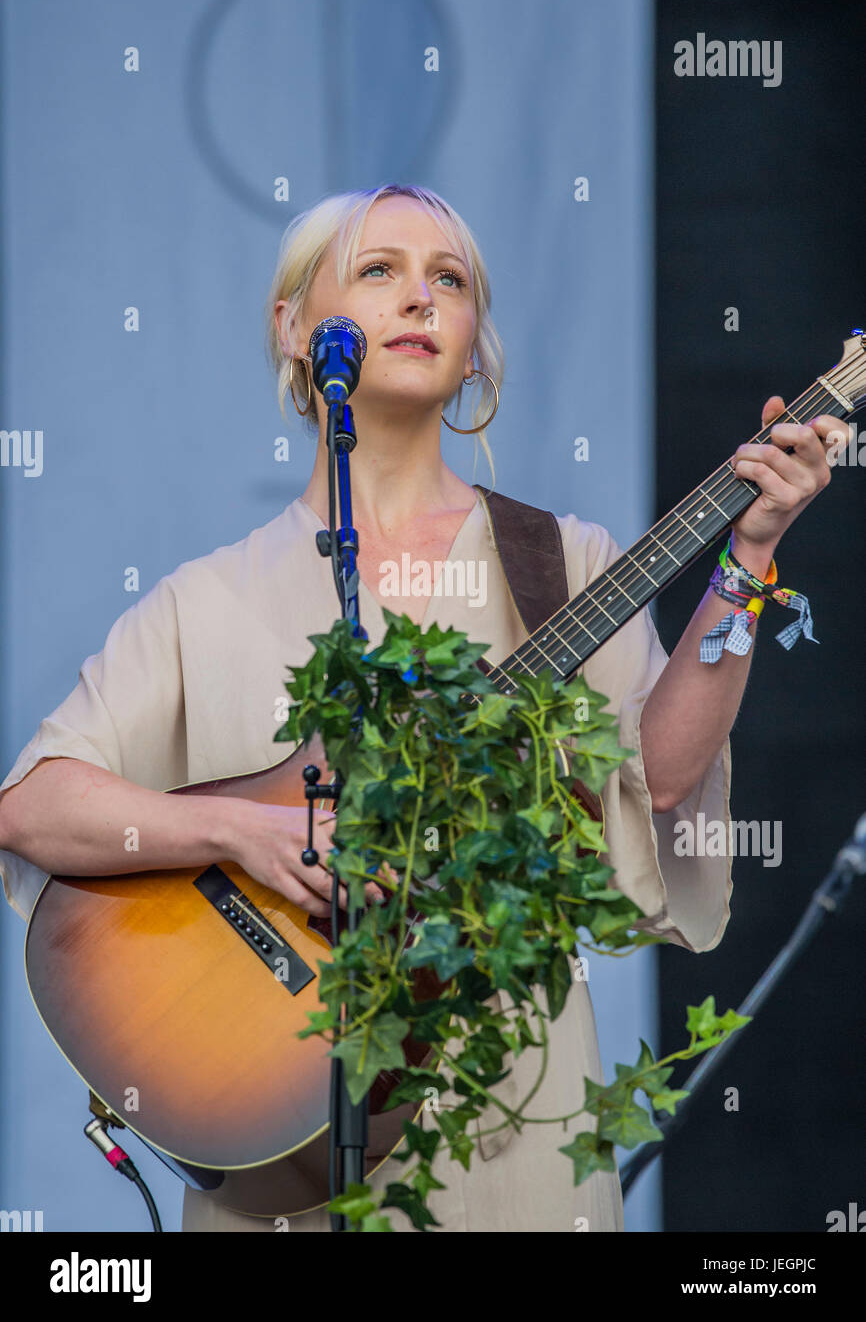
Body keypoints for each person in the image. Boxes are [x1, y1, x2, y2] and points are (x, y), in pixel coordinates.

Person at [0, 183, 848, 1233]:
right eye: (377, 270)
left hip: (510, 1131)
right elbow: (31, 807)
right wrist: (242, 828)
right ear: (295, 326)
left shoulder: (559, 564)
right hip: (274, 1124)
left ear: (474, 347)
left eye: (448, 280)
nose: (419, 298)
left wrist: (747, 555)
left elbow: (662, 775)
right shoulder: (202, 598)